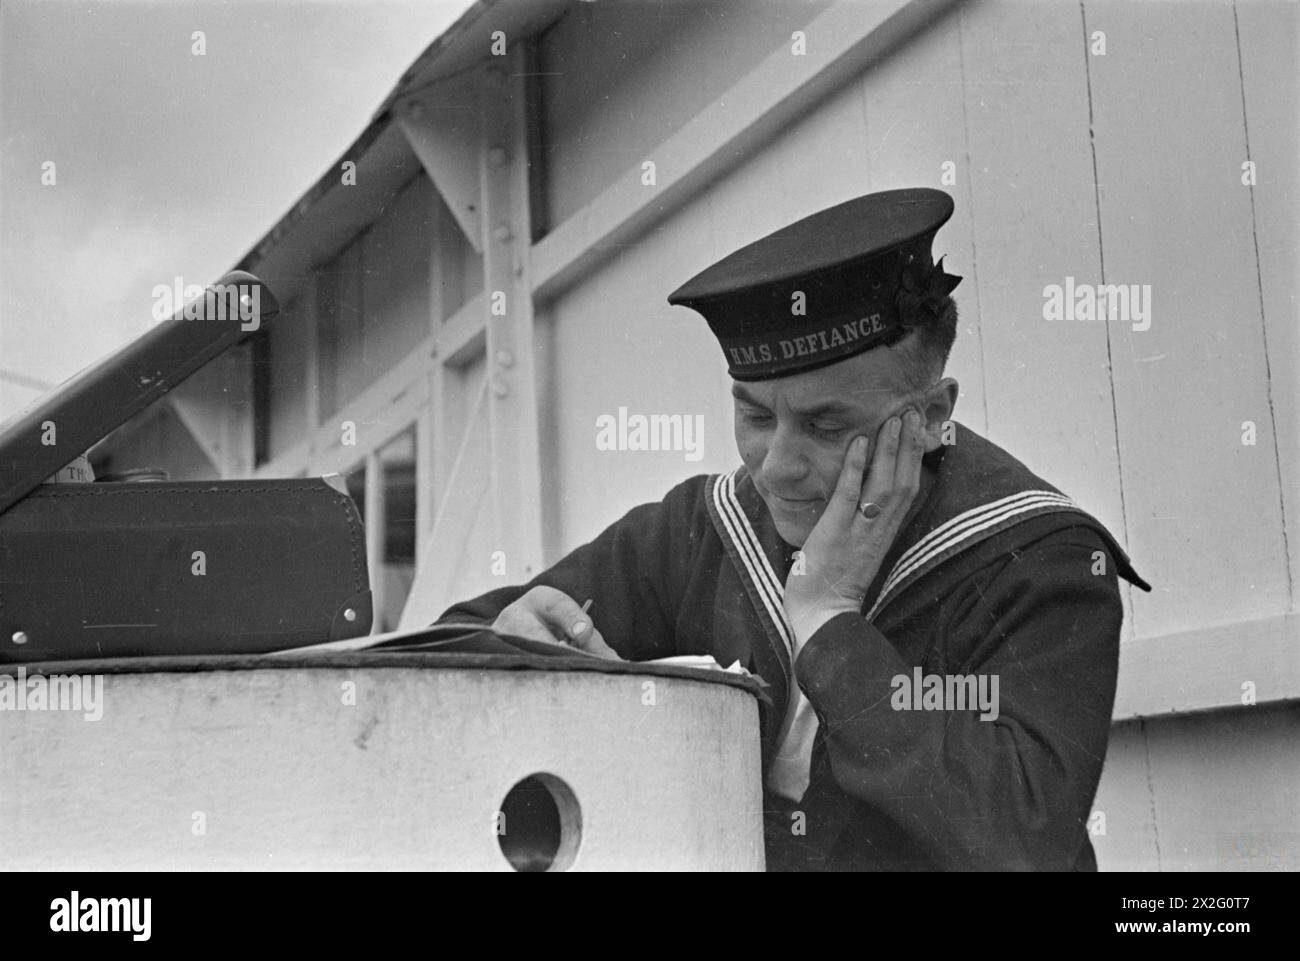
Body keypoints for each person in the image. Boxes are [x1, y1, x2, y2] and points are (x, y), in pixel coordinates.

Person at [438, 188, 1151, 871]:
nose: (775, 467)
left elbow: (1019, 842)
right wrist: (530, 661)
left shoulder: (1035, 560)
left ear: (933, 415)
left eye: (824, 424)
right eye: (754, 415)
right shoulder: (706, 527)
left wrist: (830, 621)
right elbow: (449, 643)